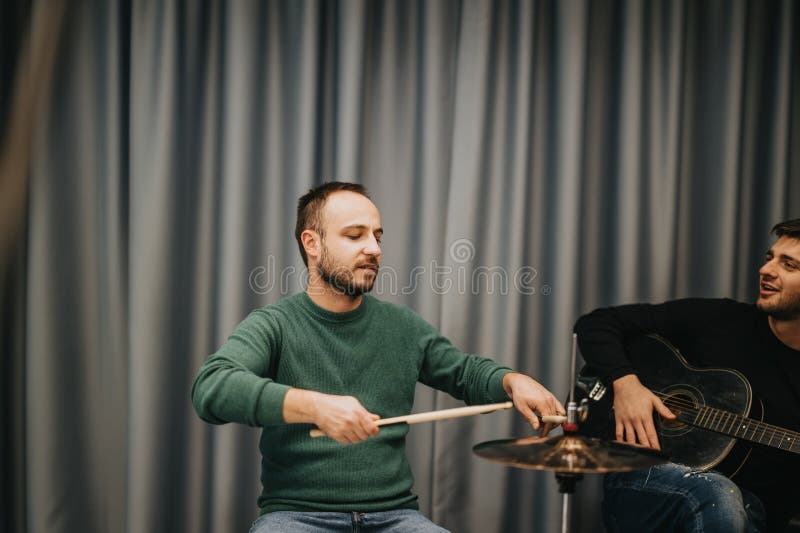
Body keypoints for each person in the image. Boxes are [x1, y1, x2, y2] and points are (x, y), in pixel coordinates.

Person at [192, 181, 565, 532]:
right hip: (296, 516)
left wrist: (511, 380)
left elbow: (465, 372)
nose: (373, 248)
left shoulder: (401, 326)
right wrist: (314, 406)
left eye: (377, 236)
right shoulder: (275, 324)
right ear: (312, 243)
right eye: (355, 235)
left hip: (396, 516)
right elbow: (212, 386)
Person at [573, 218, 800, 532]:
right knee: (718, 494)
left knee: (728, 500)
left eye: (789, 265)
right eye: (769, 258)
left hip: (751, 509)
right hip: (645, 481)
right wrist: (627, 385)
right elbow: (596, 323)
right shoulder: (720, 319)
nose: (766, 270)